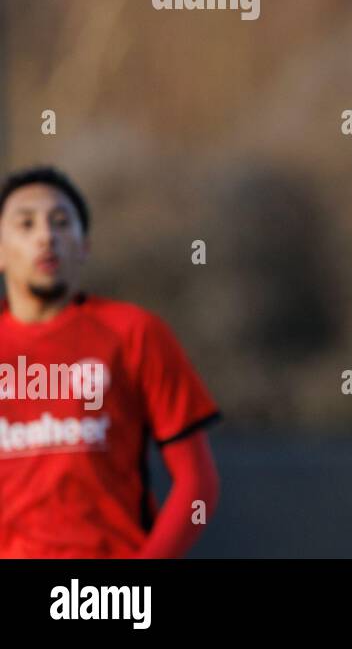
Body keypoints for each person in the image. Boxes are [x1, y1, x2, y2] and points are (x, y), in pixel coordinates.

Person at [0, 166, 221, 558]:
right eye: (26, 223)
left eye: (62, 222)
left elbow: (197, 484)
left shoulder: (135, 333)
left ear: (84, 245)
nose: (46, 236)